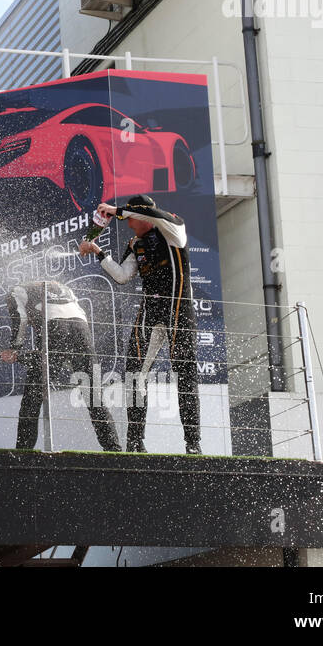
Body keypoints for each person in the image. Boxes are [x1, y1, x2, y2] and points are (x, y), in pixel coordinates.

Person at [78, 194, 200, 454]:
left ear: (140, 215)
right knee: (134, 374)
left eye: (131, 218)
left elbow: (152, 215)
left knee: (185, 374)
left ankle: (193, 444)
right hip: (149, 313)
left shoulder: (173, 229)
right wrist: (98, 252)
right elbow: (122, 276)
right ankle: (135, 442)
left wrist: (116, 210)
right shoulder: (136, 243)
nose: (129, 224)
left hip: (178, 309)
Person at [1, 280, 120, 452]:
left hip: (54, 327)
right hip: (81, 328)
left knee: (32, 400)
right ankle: (114, 451)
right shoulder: (59, 286)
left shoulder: (15, 290)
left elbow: (21, 318)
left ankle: (23, 454)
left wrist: (15, 349)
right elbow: (78, 313)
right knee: (94, 396)